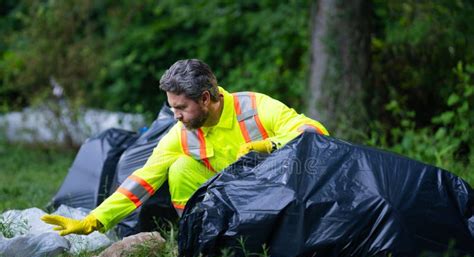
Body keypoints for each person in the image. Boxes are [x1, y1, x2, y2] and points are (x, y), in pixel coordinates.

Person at [41, 59, 329, 236]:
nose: (175, 115)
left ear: (205, 98)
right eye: (172, 107)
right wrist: (94, 221)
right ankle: (196, 239)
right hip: (235, 206)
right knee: (180, 168)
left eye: (181, 107)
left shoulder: (255, 107)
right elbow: (142, 180)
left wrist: (269, 145)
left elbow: (315, 131)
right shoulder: (180, 133)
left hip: (278, 199)